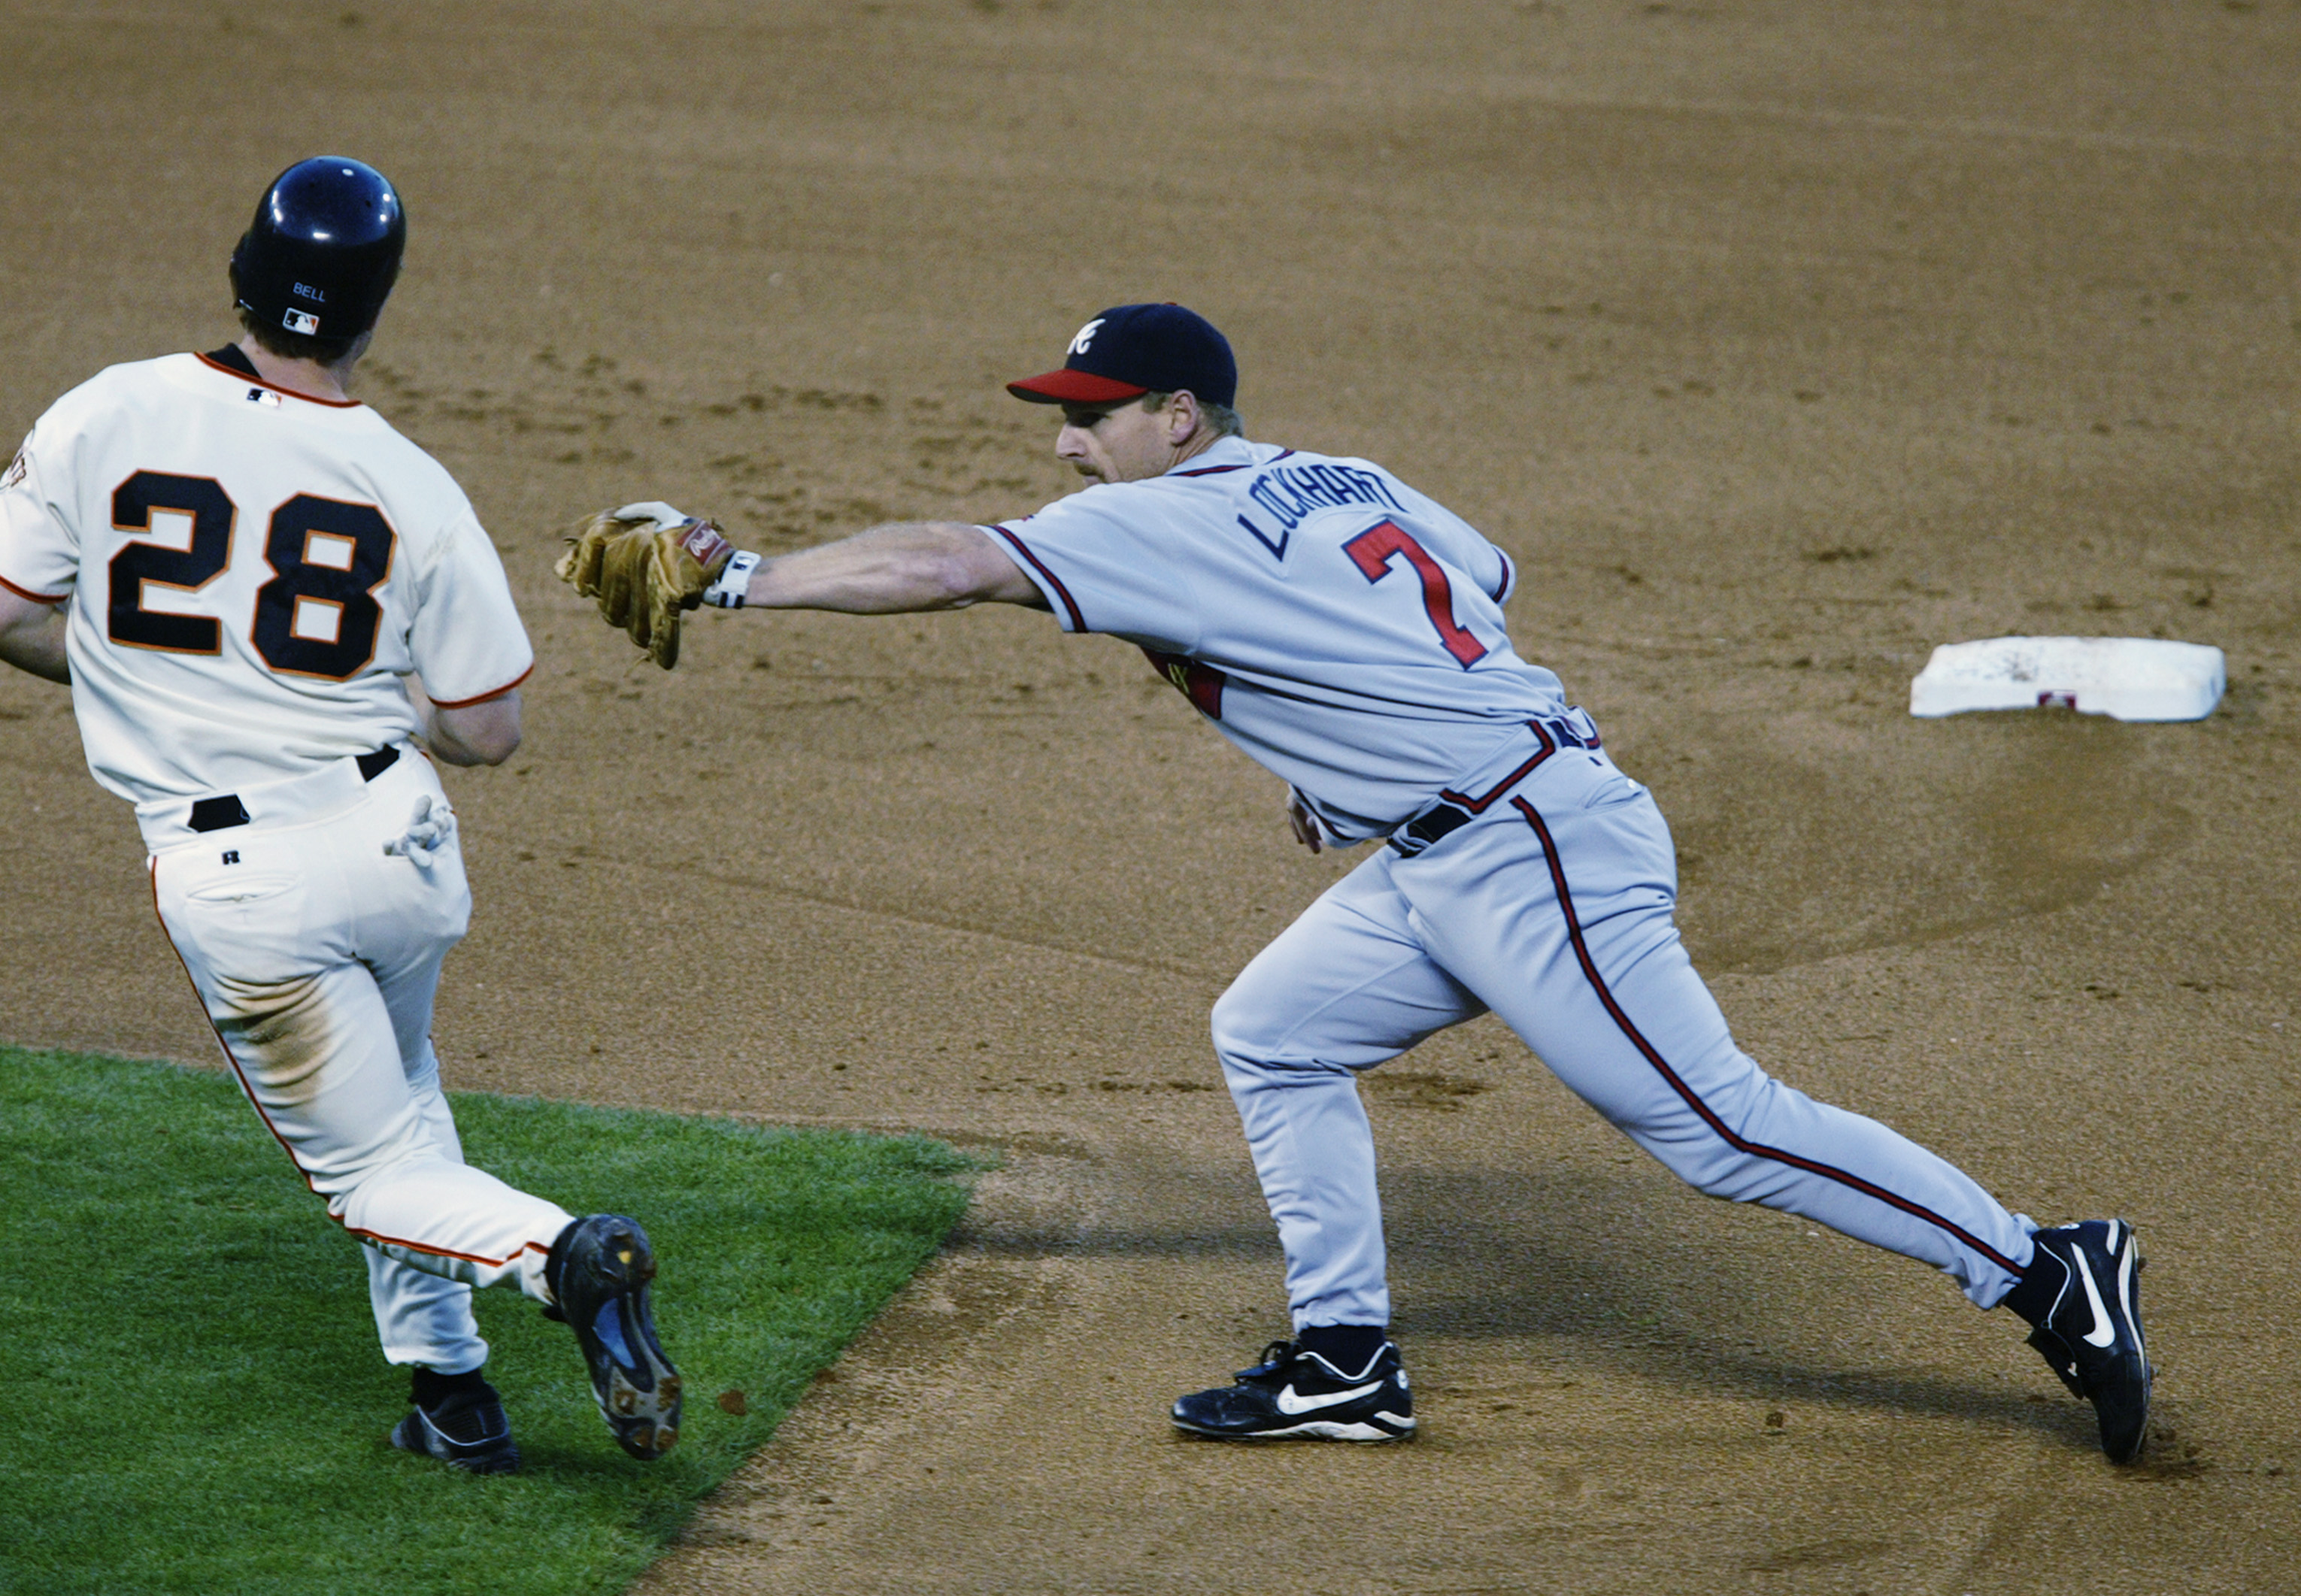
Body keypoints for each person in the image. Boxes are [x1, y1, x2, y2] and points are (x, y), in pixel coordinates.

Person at [562, 301, 2151, 1464]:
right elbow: (1485, 578)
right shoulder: (1344, 475)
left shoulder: (1155, 519)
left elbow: (953, 562)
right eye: (1066, 409)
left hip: (1530, 847)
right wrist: (1359, 754)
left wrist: (749, 575)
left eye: (1098, 412)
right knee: (1276, 1030)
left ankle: (2035, 1263)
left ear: (1179, 418)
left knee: (1717, 1126)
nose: (1068, 437)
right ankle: (1343, 1361)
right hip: (1463, 830)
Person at [0, 156, 681, 1474]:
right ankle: (453, 1394)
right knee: (402, 1099)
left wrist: (160, 672)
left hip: (245, 882)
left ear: (242, 275)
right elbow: (487, 731)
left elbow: (2, 618)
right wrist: (365, 694)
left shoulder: (103, 411)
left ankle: (562, 1259)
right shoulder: (413, 485)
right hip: (399, 846)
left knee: (371, 1175)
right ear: (372, 313)